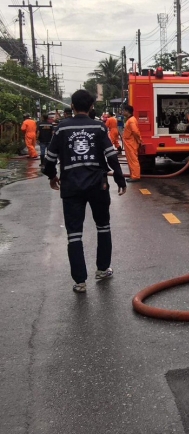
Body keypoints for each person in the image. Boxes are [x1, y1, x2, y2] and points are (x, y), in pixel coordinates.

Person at [42, 89, 126, 293]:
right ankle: (102, 269)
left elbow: (49, 159)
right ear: (91, 107)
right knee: (103, 226)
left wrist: (52, 176)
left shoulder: (61, 128)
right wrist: (119, 177)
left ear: (72, 106)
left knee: (74, 234)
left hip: (71, 187)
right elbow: (111, 154)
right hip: (98, 185)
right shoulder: (98, 126)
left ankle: (80, 281)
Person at [122, 104, 142, 182]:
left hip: (131, 142)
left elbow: (135, 132)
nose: (122, 112)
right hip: (130, 142)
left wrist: (139, 140)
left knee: (133, 160)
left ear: (127, 111)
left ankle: (135, 176)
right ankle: (133, 175)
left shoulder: (131, 120)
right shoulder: (131, 120)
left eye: (124, 110)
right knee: (131, 160)